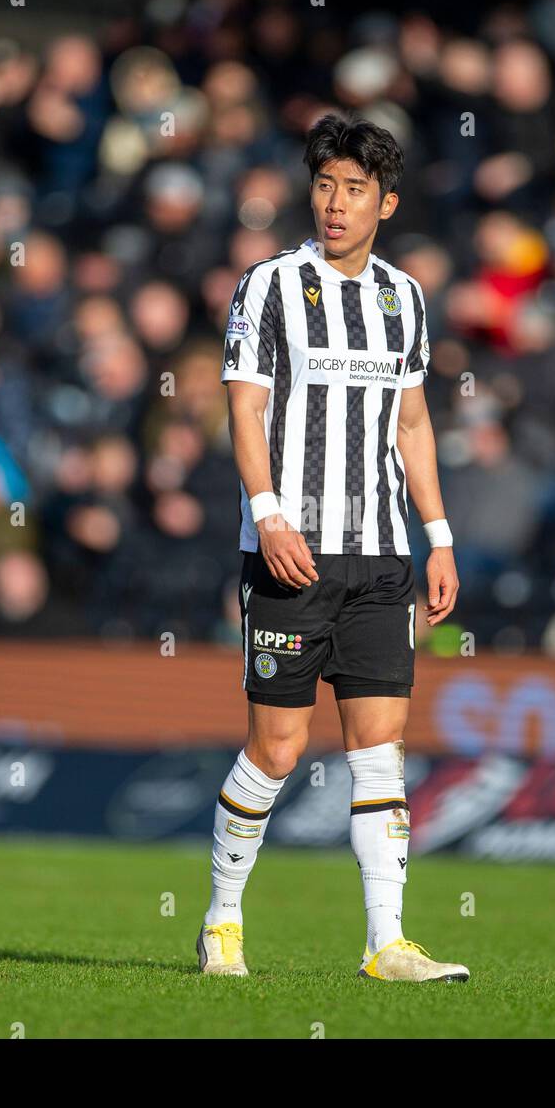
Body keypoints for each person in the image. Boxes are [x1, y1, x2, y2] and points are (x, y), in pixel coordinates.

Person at [201, 114, 468, 983]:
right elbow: (244, 409)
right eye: (324, 185)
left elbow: (414, 423)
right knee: (278, 749)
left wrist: (438, 537)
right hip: (292, 552)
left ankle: (385, 942)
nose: (335, 204)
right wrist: (270, 513)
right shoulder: (270, 286)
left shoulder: (406, 298)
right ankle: (223, 921)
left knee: (379, 747)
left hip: (383, 555)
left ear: (386, 203)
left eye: (355, 189)